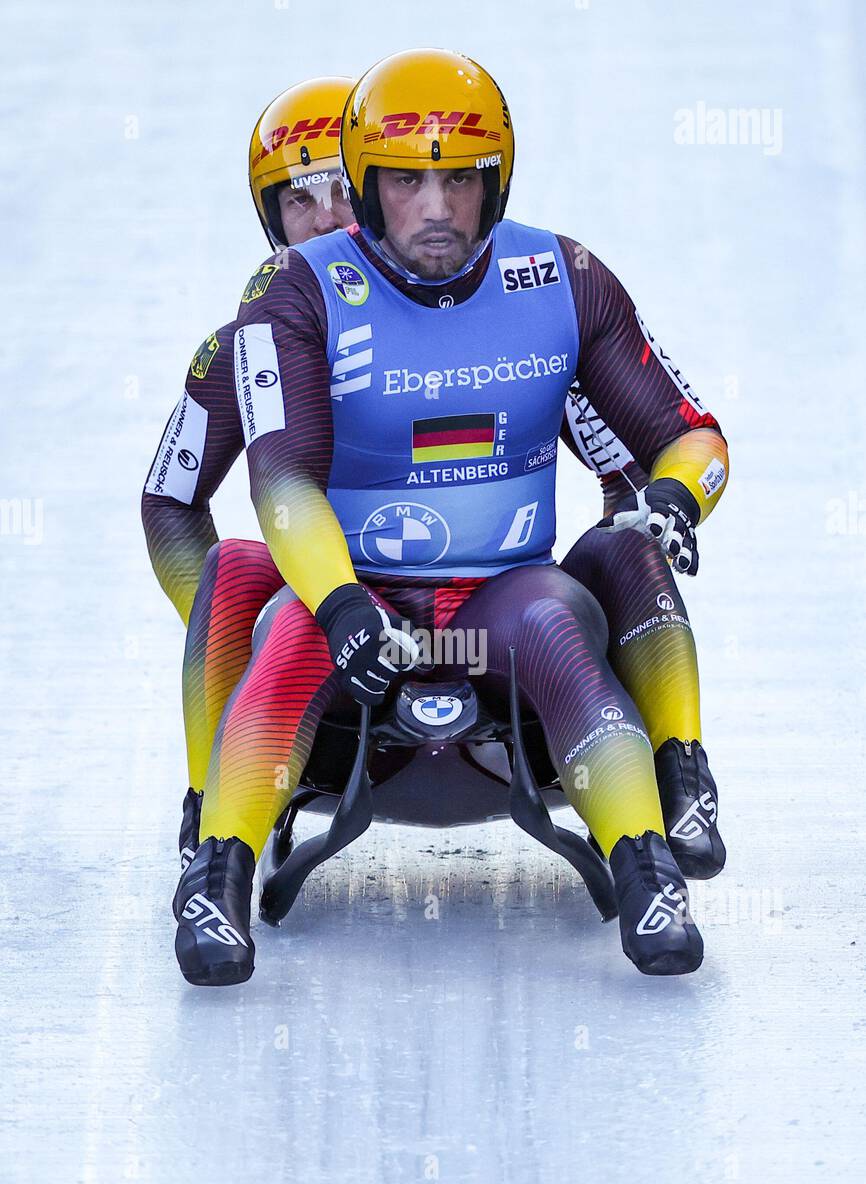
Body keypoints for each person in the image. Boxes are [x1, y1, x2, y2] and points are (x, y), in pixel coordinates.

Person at [173, 48, 730, 986]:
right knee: (284, 624)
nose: (434, 208)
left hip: (500, 601)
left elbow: (689, 436)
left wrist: (676, 500)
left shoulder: (564, 277)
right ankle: (212, 873)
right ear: (370, 183)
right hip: (358, 601)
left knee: (563, 610)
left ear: (496, 183)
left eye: (458, 180)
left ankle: (651, 863)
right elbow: (281, 482)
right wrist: (344, 606)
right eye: (406, 181)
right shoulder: (291, 296)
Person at [141, 77, 356, 865]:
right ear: (272, 219)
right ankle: (212, 811)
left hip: (468, 592)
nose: (327, 217)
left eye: (342, 188)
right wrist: (228, 632)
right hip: (322, 619)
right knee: (233, 566)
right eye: (300, 198)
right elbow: (170, 498)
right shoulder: (241, 345)